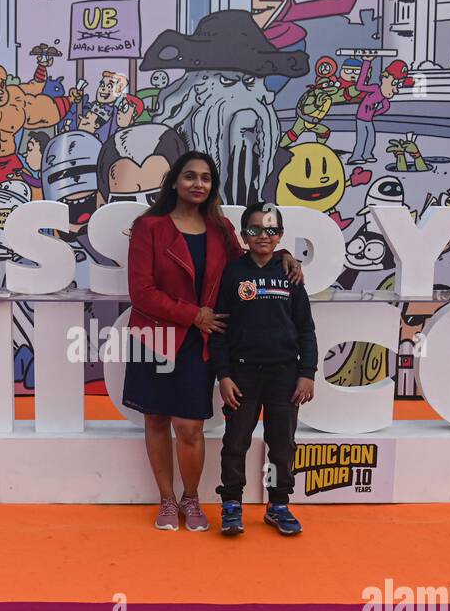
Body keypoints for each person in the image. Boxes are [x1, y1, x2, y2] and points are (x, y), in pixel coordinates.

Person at [124, 152, 302, 531]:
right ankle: (167, 501)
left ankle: (191, 497)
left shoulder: (220, 228)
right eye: (190, 176)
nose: (198, 184)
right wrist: (195, 314)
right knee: (155, 420)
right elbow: (141, 292)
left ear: (212, 186)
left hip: (198, 342)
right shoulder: (149, 227)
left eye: (206, 178)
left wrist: (283, 253)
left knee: (189, 427)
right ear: (174, 181)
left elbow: (247, 262)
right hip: (154, 336)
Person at [211, 203, 316, 536]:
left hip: (285, 376)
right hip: (242, 376)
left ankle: (278, 504)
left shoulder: (290, 273)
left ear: (280, 235)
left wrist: (307, 373)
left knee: (281, 444)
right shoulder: (232, 274)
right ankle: (231, 503)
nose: (262, 236)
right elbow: (220, 330)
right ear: (244, 236)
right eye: (254, 230)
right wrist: (224, 375)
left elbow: (305, 329)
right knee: (236, 442)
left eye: (270, 230)